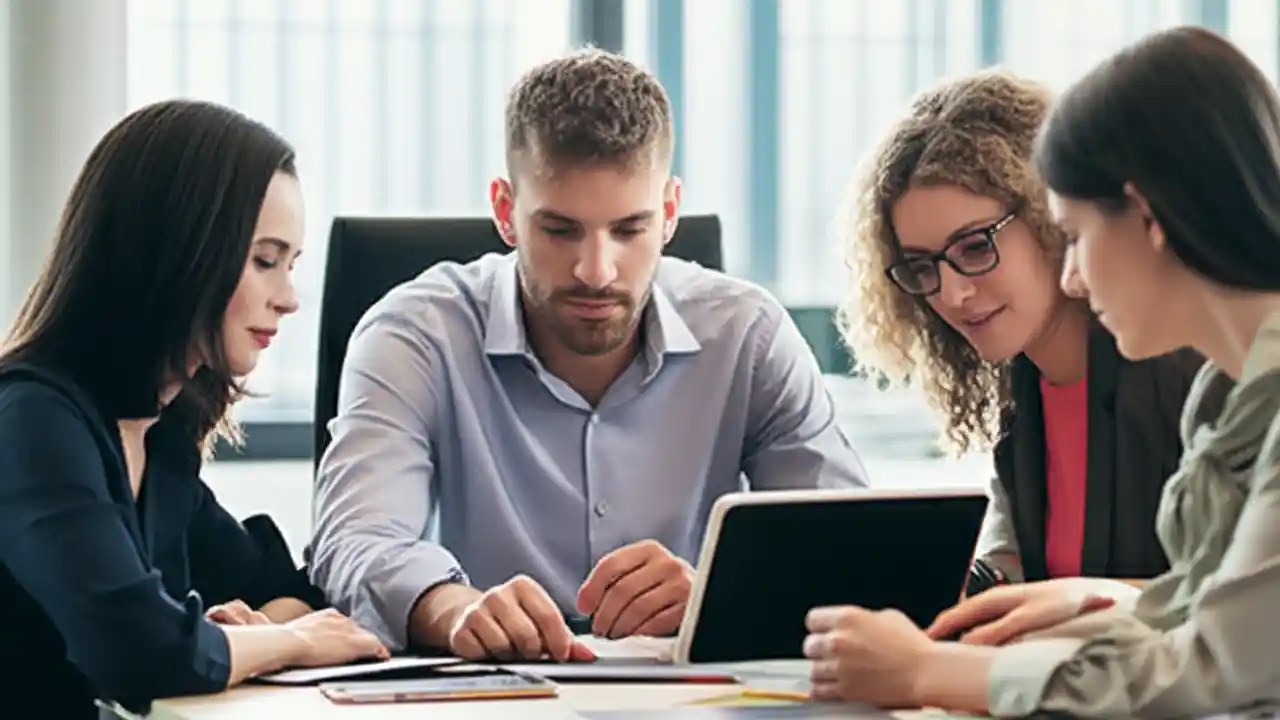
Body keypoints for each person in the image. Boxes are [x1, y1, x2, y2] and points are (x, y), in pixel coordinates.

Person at [310, 48, 869, 662]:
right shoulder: (414, 333)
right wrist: (454, 607)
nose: (596, 271)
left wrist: (723, 594)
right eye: (560, 230)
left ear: (669, 213)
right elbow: (354, 539)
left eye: (630, 230)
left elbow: (848, 553)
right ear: (505, 212)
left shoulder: (750, 336)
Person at [804, 27, 1280, 717]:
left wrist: (927, 674)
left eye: (1078, 236)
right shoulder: (1228, 396)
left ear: (1146, 217)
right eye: (923, 268)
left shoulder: (1218, 389)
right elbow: (1192, 613)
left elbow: (1207, 667)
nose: (1075, 276)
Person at [0, 100, 388, 719]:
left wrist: (248, 634)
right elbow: (134, 647)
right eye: (264, 261)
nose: (288, 299)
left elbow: (287, 593)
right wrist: (279, 643)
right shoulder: (31, 422)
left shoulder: (160, 441)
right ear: (178, 250)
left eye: (291, 265)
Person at [835, 69, 1225, 594]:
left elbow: (1238, 607)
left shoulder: (1186, 368)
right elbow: (1014, 577)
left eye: (975, 247)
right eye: (922, 266)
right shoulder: (1021, 393)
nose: (950, 294)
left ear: (1052, 218)